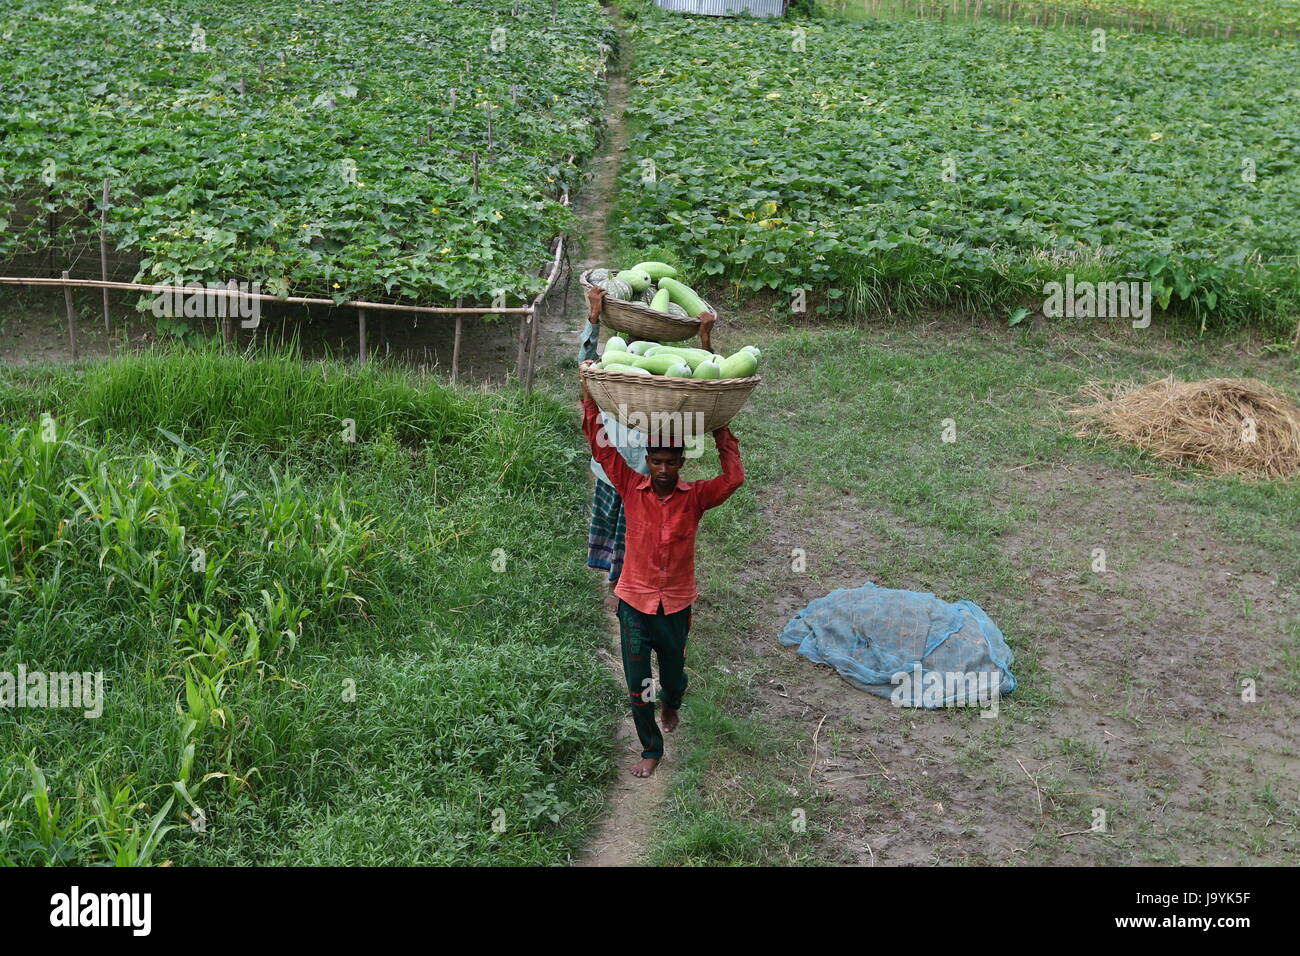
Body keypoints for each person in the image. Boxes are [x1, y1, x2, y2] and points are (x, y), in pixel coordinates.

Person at [578, 355, 744, 778]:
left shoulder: (696, 497)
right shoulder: (632, 486)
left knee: (673, 675)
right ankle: (651, 748)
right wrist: (588, 395)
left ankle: (672, 702)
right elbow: (600, 444)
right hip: (633, 601)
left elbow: (733, 479)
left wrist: (722, 428)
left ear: (682, 463)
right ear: (648, 460)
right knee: (637, 684)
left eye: (672, 463)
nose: (664, 470)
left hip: (675, 605)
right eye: (657, 462)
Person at [578, 285, 715, 601]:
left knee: (639, 545)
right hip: (610, 475)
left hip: (645, 483)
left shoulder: (671, 374)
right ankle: (621, 593)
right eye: (634, 337)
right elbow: (585, 364)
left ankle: (633, 594)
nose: (640, 343)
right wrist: (594, 316)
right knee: (614, 539)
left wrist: (704, 339)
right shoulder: (612, 368)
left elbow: (706, 380)